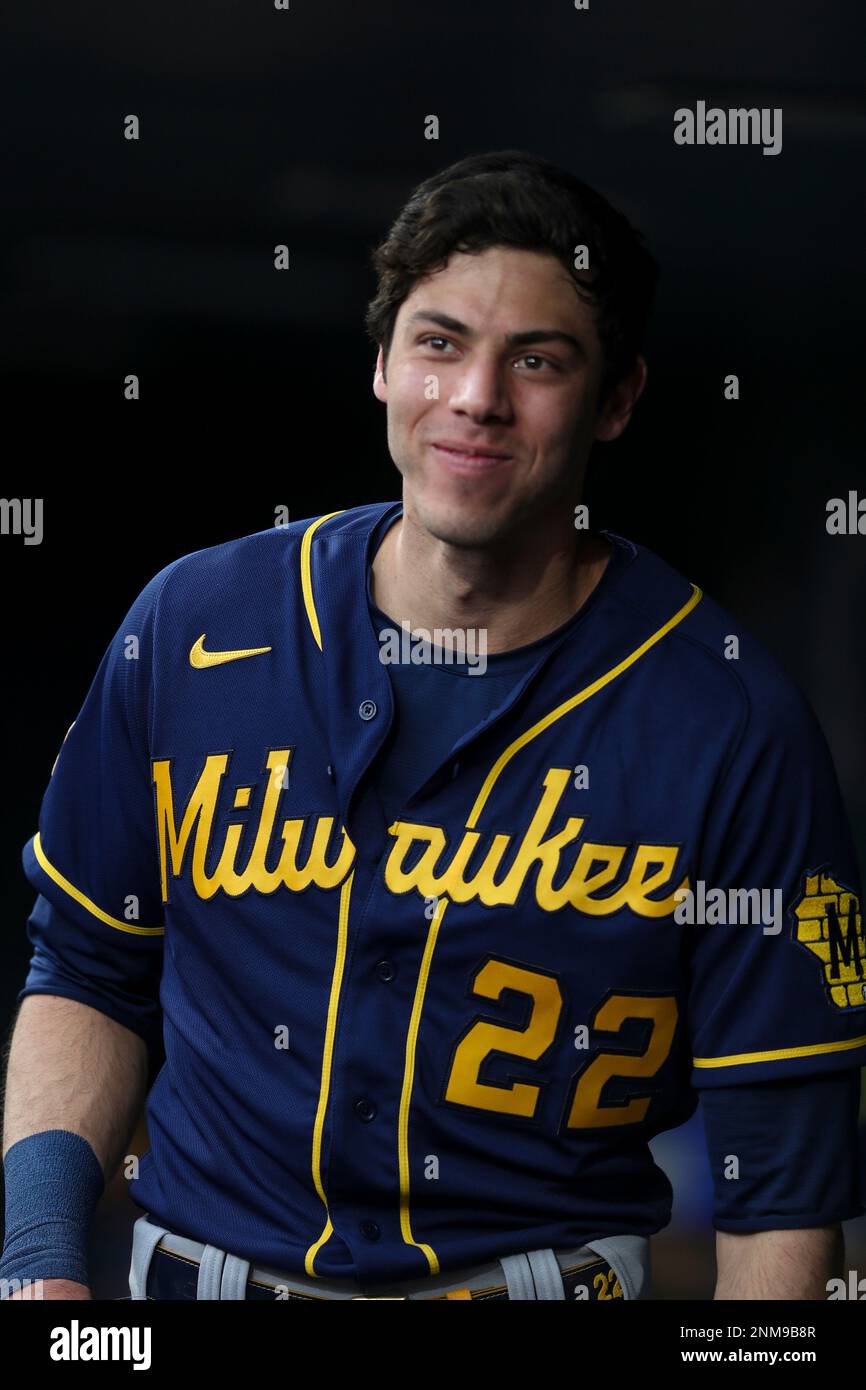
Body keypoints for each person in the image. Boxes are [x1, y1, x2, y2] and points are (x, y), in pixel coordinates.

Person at [2, 150, 863, 1302]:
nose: (475, 397)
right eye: (438, 341)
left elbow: (781, 1177)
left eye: (538, 359)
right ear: (382, 363)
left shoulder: (730, 719)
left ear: (615, 400)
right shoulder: (193, 622)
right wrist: (41, 1268)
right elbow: (89, 966)